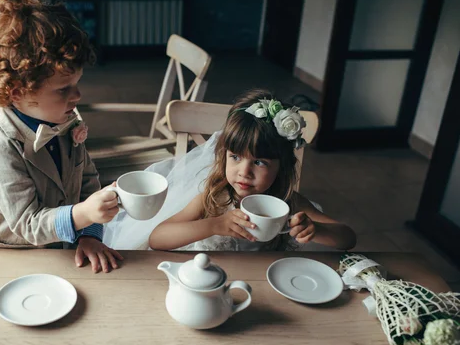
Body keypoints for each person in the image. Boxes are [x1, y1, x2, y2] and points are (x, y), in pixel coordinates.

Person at [0, 0, 122, 273]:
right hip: (0, 258)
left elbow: (88, 182)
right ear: (18, 92)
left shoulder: (65, 121)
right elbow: (29, 225)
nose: (78, 95)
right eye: (63, 89)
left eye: (77, 83)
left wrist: (89, 234)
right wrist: (83, 213)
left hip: (57, 254)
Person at [104, 89, 356, 252]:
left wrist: (316, 230)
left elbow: (347, 238)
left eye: (259, 162)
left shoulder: (290, 203)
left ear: (282, 166)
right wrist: (214, 225)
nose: (243, 172)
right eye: (235, 157)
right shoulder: (214, 197)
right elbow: (157, 238)